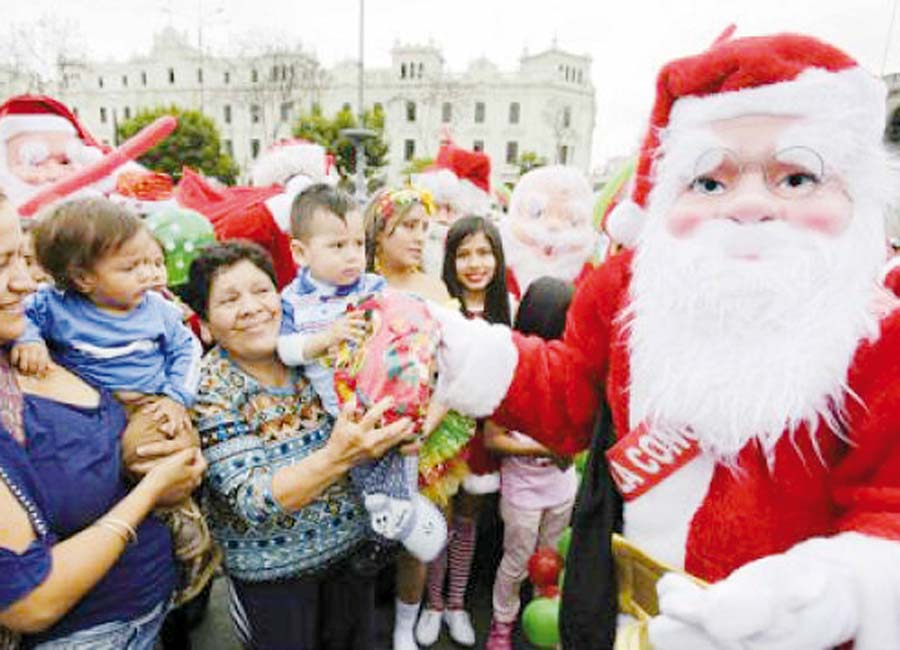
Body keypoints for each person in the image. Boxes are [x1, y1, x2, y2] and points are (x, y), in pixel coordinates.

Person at [432, 30, 900, 649]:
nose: (751, 205)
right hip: (628, 618)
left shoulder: (876, 332)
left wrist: (825, 596)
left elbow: (888, 507)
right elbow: (569, 397)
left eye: (795, 179)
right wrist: (468, 352)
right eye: (710, 182)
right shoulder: (627, 291)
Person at [184, 240, 417, 649]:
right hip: (275, 584)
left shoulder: (316, 358)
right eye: (230, 299)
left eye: (261, 291)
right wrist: (338, 456)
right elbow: (255, 499)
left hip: (354, 560)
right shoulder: (209, 388)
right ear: (204, 323)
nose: (252, 307)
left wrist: (397, 435)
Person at [0, 192, 206, 649]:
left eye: (21, 258)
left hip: (149, 607)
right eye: (1, 264)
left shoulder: (35, 343)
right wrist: (153, 488)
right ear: (81, 278)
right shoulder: (42, 325)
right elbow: (28, 601)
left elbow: (182, 353)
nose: (25, 282)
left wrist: (175, 412)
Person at [277, 183, 446, 560]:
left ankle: (400, 507)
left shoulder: (373, 285)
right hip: (337, 410)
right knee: (361, 465)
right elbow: (285, 349)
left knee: (399, 448)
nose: (352, 256)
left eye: (357, 244)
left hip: (383, 393)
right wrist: (326, 338)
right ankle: (383, 516)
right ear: (300, 252)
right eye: (337, 246)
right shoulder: (293, 299)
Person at [364, 186, 474, 650]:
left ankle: (404, 627)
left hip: (427, 431)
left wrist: (429, 421)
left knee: (421, 533)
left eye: (423, 229)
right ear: (379, 231)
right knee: (364, 534)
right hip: (368, 430)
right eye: (407, 227)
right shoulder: (361, 284)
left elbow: (454, 365)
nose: (417, 238)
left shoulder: (435, 288)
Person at [12, 198, 203, 437]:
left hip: (147, 405)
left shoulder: (158, 309)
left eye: (151, 263)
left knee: (158, 444)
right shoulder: (53, 304)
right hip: (84, 410)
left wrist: (176, 397)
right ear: (83, 278)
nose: (147, 275)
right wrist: (29, 340)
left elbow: (188, 349)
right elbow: (21, 315)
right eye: (130, 267)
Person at [415, 216, 511, 647]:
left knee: (470, 521)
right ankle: (433, 603)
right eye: (464, 254)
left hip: (487, 436)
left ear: (498, 257)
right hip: (441, 434)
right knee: (441, 520)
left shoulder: (512, 305)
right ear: (450, 260)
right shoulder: (439, 309)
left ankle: (457, 604)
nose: (475, 264)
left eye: (484, 252)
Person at [483, 278, 578, 650]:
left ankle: (543, 612)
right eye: (568, 320)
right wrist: (547, 447)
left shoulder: (571, 368)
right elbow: (494, 439)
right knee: (518, 559)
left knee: (550, 559)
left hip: (561, 487)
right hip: (523, 490)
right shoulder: (512, 371)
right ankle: (502, 621)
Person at [499, 165, 597, 299]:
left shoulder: (588, 276)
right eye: (536, 213)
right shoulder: (500, 273)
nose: (553, 226)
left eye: (573, 220)